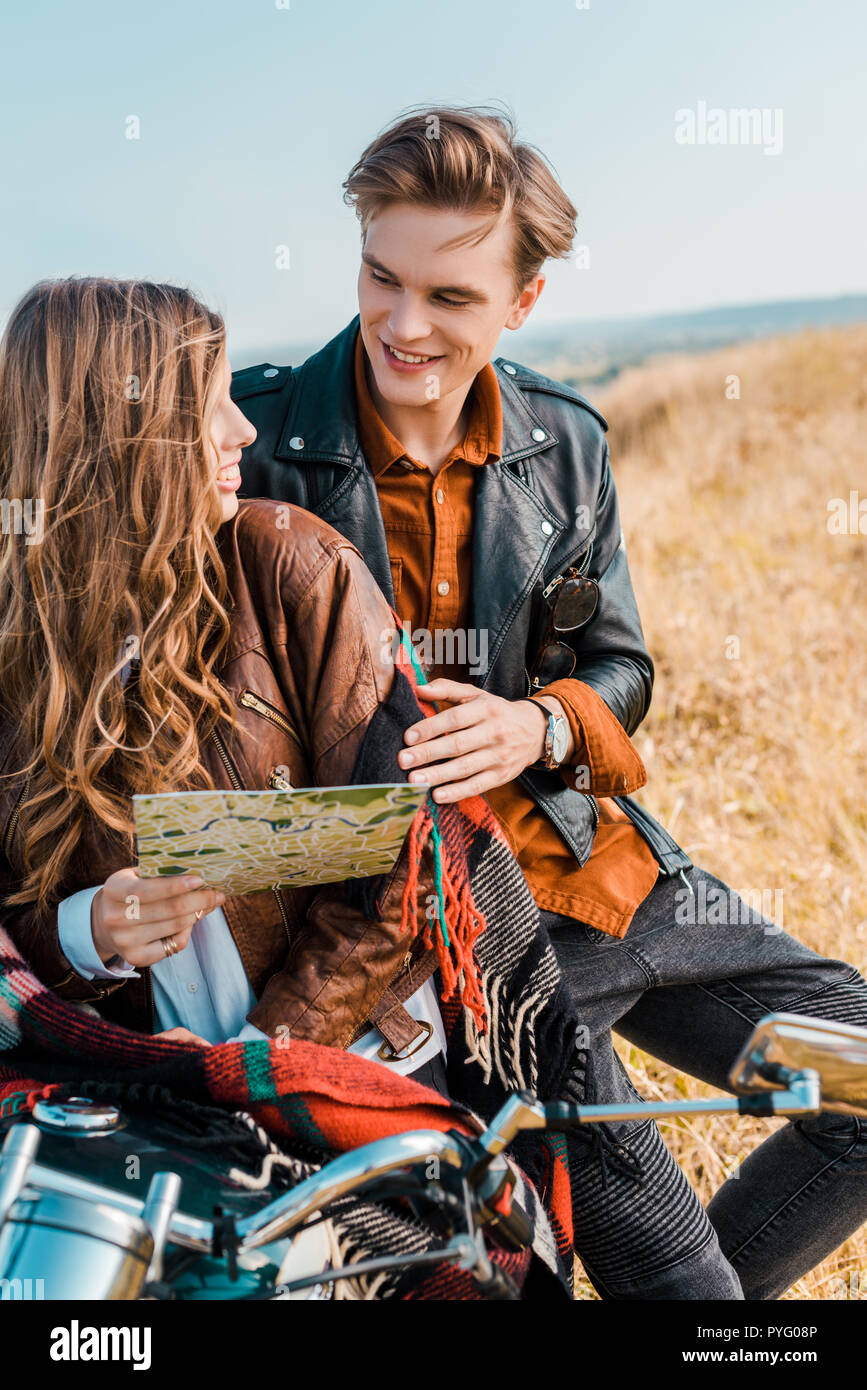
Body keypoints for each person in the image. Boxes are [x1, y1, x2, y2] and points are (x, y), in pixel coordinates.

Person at [233, 104, 867, 1300]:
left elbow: (624, 667)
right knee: (679, 1291)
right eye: (382, 277)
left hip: (605, 871)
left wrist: (543, 723)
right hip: (451, 948)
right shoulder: (245, 443)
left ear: (522, 303)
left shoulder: (567, 444)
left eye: (452, 298)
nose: (402, 324)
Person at [0, 276, 451, 1093]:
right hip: (135, 1093)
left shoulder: (292, 566)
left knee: (637, 1228)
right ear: (115, 431)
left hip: (352, 1069)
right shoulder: (16, 645)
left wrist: (256, 1064)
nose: (242, 426)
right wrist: (86, 933)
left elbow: (402, 862)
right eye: (205, 403)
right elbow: (10, 905)